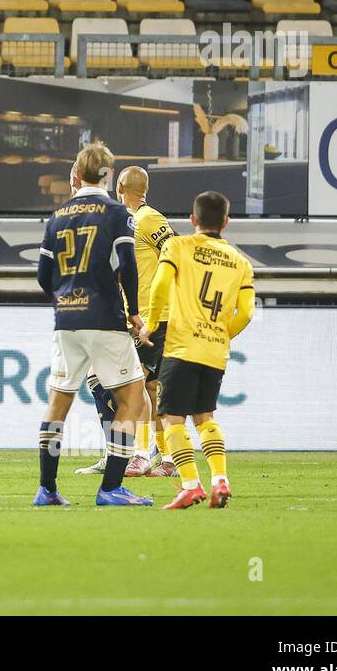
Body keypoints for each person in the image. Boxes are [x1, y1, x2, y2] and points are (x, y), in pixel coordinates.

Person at [35, 144, 153, 507]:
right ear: (109, 176)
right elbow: (128, 265)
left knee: (58, 402)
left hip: (66, 319)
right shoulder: (117, 212)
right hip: (104, 316)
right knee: (133, 398)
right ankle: (112, 488)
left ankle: (47, 489)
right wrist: (133, 311)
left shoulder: (57, 217)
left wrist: (67, 297)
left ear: (76, 176)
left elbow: (43, 277)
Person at [147, 191, 254, 510]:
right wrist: (222, 336)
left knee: (170, 418)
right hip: (215, 350)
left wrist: (151, 324)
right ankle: (220, 479)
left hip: (181, 346)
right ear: (225, 222)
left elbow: (160, 285)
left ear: (193, 220)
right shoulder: (241, 262)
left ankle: (192, 485)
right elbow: (246, 312)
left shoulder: (177, 246)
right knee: (205, 417)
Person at [116, 166, 177, 478]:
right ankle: (168, 457)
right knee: (151, 389)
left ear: (122, 186)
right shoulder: (129, 221)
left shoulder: (148, 218)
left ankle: (139, 455)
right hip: (138, 316)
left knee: (136, 385)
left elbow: (175, 251)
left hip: (153, 318)